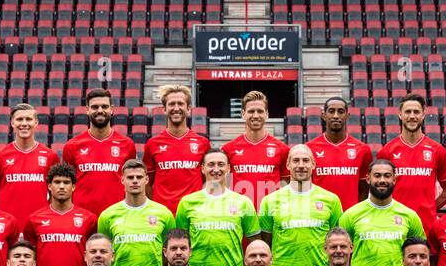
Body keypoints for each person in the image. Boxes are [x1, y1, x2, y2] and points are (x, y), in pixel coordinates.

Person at [258, 144, 342, 266]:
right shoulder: (269, 201)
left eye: (306, 160)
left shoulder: (331, 200)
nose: (301, 165)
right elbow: (266, 243)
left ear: (314, 164)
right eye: (296, 161)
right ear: (288, 165)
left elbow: (337, 242)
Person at [173, 150, 260, 266]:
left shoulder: (243, 202)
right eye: (211, 164)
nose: (216, 169)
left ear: (228, 168)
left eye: (221, 164)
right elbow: (179, 244)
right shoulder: (187, 203)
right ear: (202, 168)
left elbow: (255, 245)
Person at [377, 92, 446, 235]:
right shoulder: (387, 151)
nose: (412, 116)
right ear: (400, 114)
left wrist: (432, 207)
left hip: (426, 225)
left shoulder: (437, 151)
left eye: (416, 112)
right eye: (408, 112)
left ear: (423, 114)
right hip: (394, 224)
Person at [98, 158, 175, 266]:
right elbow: (104, 255)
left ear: (146, 179)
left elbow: (169, 253)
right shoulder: (107, 215)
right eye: (130, 177)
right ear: (122, 180)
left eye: (139, 177)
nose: (135, 180)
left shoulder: (164, 213)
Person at [63, 87, 136, 215]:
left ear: (111, 109)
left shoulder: (127, 144)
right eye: (95, 107)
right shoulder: (72, 146)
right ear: (87, 110)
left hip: (117, 216)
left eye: (104, 106)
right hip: (82, 218)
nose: (100, 110)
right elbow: (66, 185)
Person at [142, 83, 208, 214]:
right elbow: (147, 183)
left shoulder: (202, 143)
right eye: (171, 104)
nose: (176, 108)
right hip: (163, 214)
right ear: (164, 109)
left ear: (188, 108)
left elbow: (207, 180)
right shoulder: (153, 144)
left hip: (193, 213)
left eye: (180, 104)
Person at [0, 102, 59, 220]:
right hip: (8, 224)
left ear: (36, 123)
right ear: (12, 123)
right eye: (19, 119)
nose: (24, 123)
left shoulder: (50, 156)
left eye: (29, 119)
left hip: (40, 223)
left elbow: (55, 194)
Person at [222, 89, 289, 209]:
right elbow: (223, 186)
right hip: (240, 215)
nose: (256, 115)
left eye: (260, 111)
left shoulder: (282, 149)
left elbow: (286, 186)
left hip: (270, 216)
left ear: (267, 114)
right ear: (243, 114)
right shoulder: (228, 149)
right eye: (251, 111)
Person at [307, 96, 371, 211]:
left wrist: (357, 213)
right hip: (320, 215)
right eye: (331, 111)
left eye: (340, 112)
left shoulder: (362, 149)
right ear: (323, 115)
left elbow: (364, 189)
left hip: (350, 217)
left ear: (347, 116)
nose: (336, 116)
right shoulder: (309, 149)